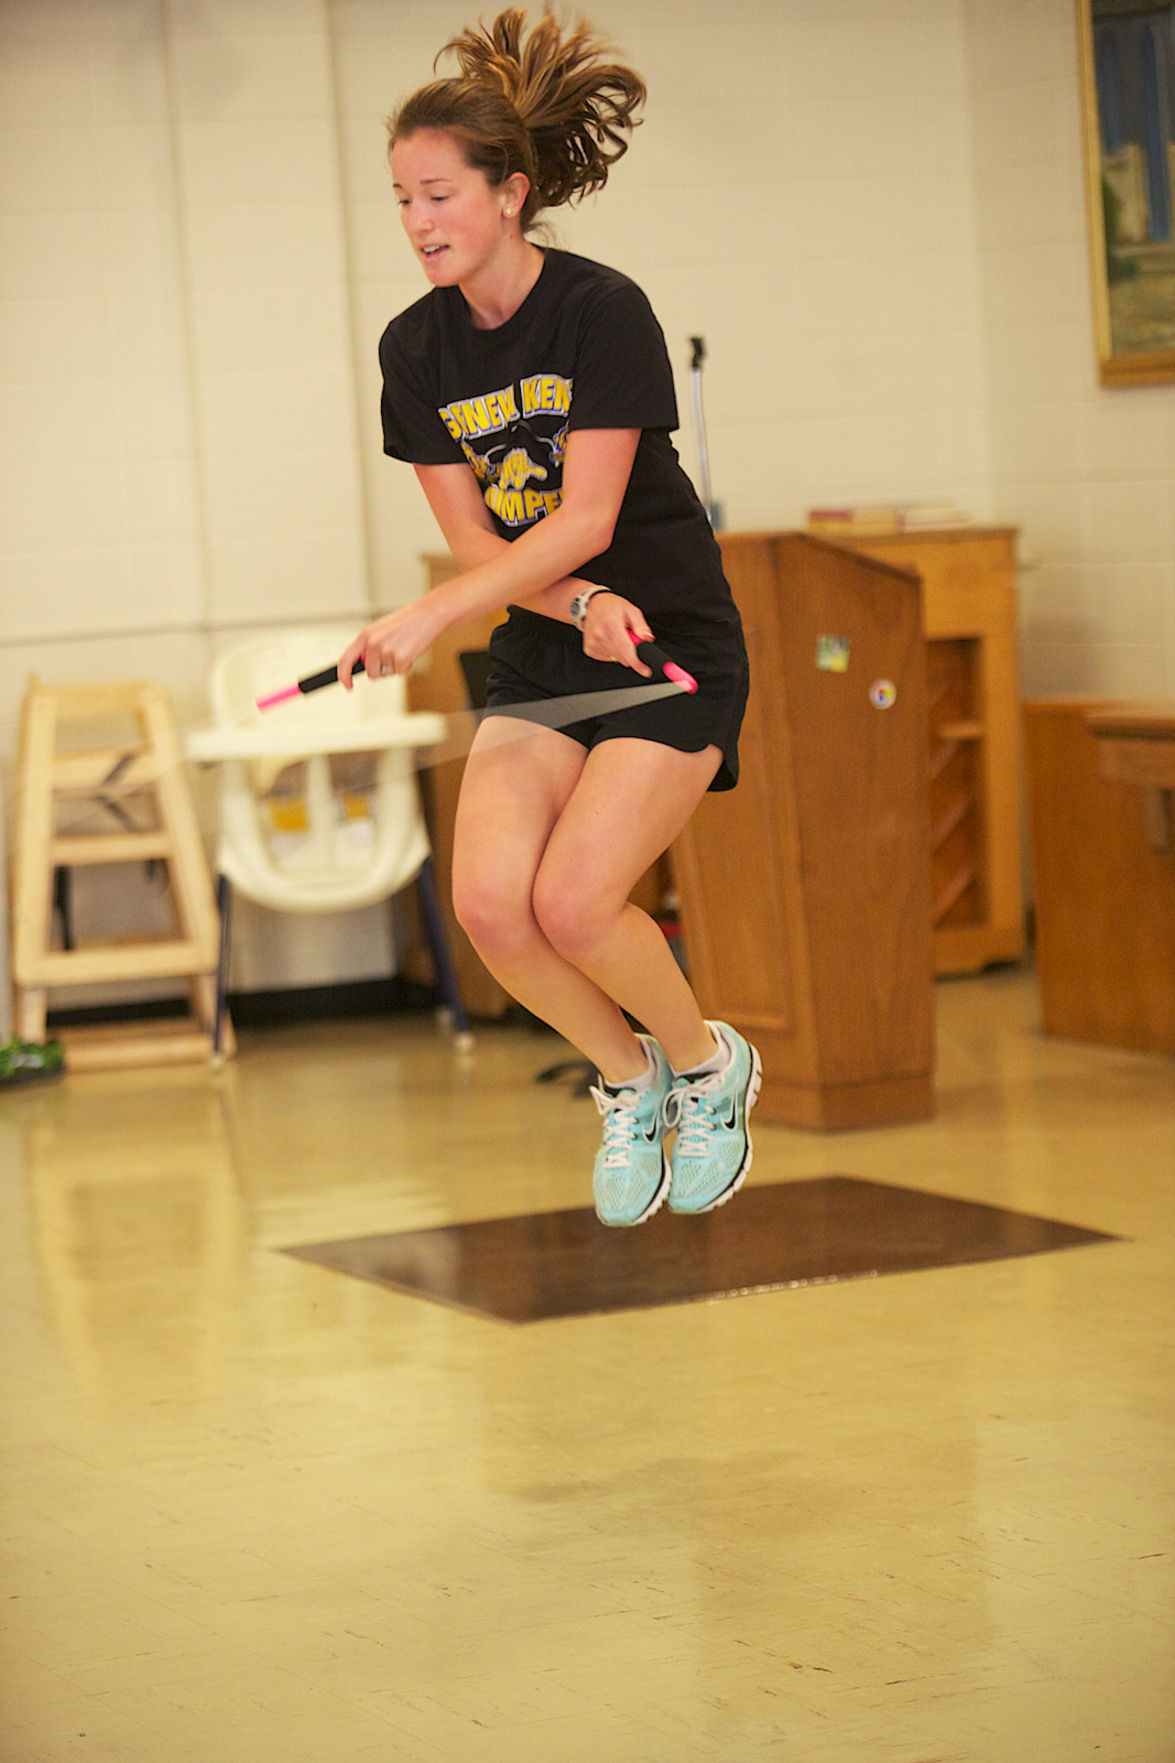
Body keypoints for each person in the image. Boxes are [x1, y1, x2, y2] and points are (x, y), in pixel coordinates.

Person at [338, 8, 761, 1227]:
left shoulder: (598, 310)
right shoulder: (413, 350)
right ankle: (627, 1078)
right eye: (402, 199)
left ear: (508, 193)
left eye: (438, 195)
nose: (417, 221)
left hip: (667, 642)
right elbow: (489, 545)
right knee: (490, 905)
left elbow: (582, 516)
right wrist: (572, 603)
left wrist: (432, 615)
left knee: (574, 900)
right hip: (548, 643)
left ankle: (706, 1066)